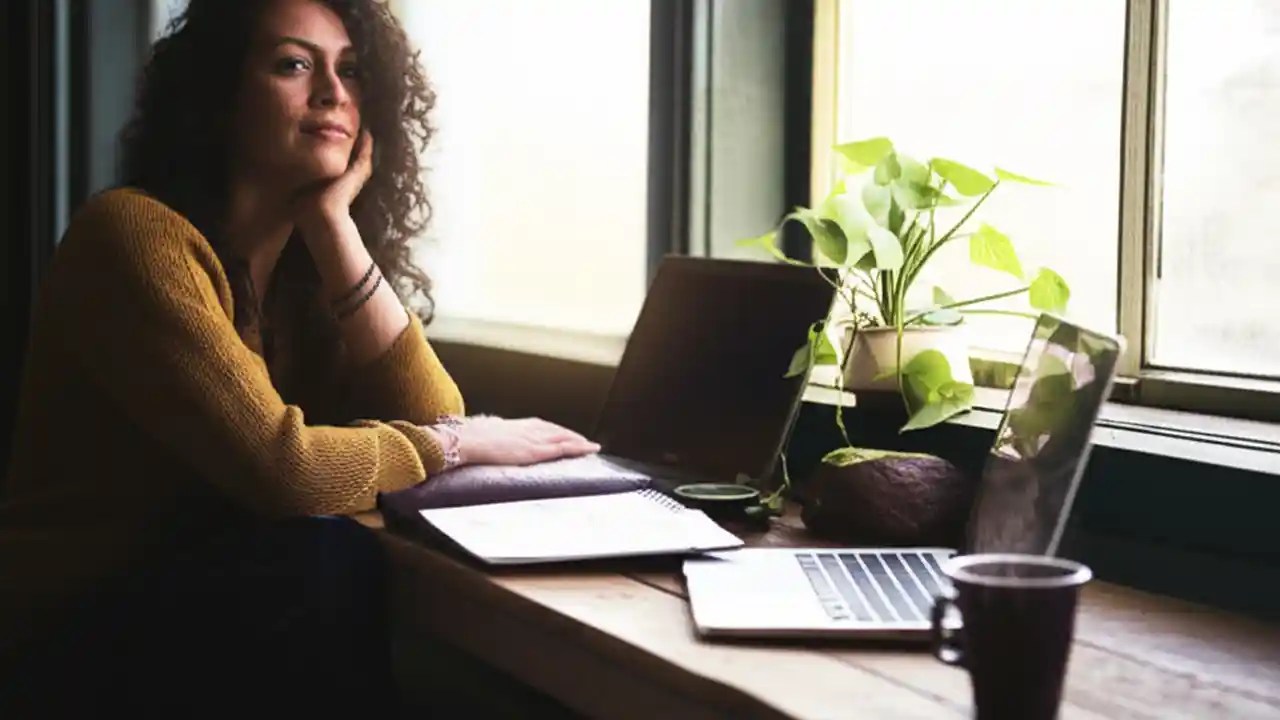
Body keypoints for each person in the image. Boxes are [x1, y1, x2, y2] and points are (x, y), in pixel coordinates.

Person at [0, 0, 599, 713]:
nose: (332, 93)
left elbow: (434, 410)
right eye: (293, 64)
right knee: (325, 560)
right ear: (220, 92)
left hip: (199, 612)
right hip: (64, 645)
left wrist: (332, 225)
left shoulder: (298, 280)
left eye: (351, 70)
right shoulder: (133, 235)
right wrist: (456, 446)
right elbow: (287, 471)